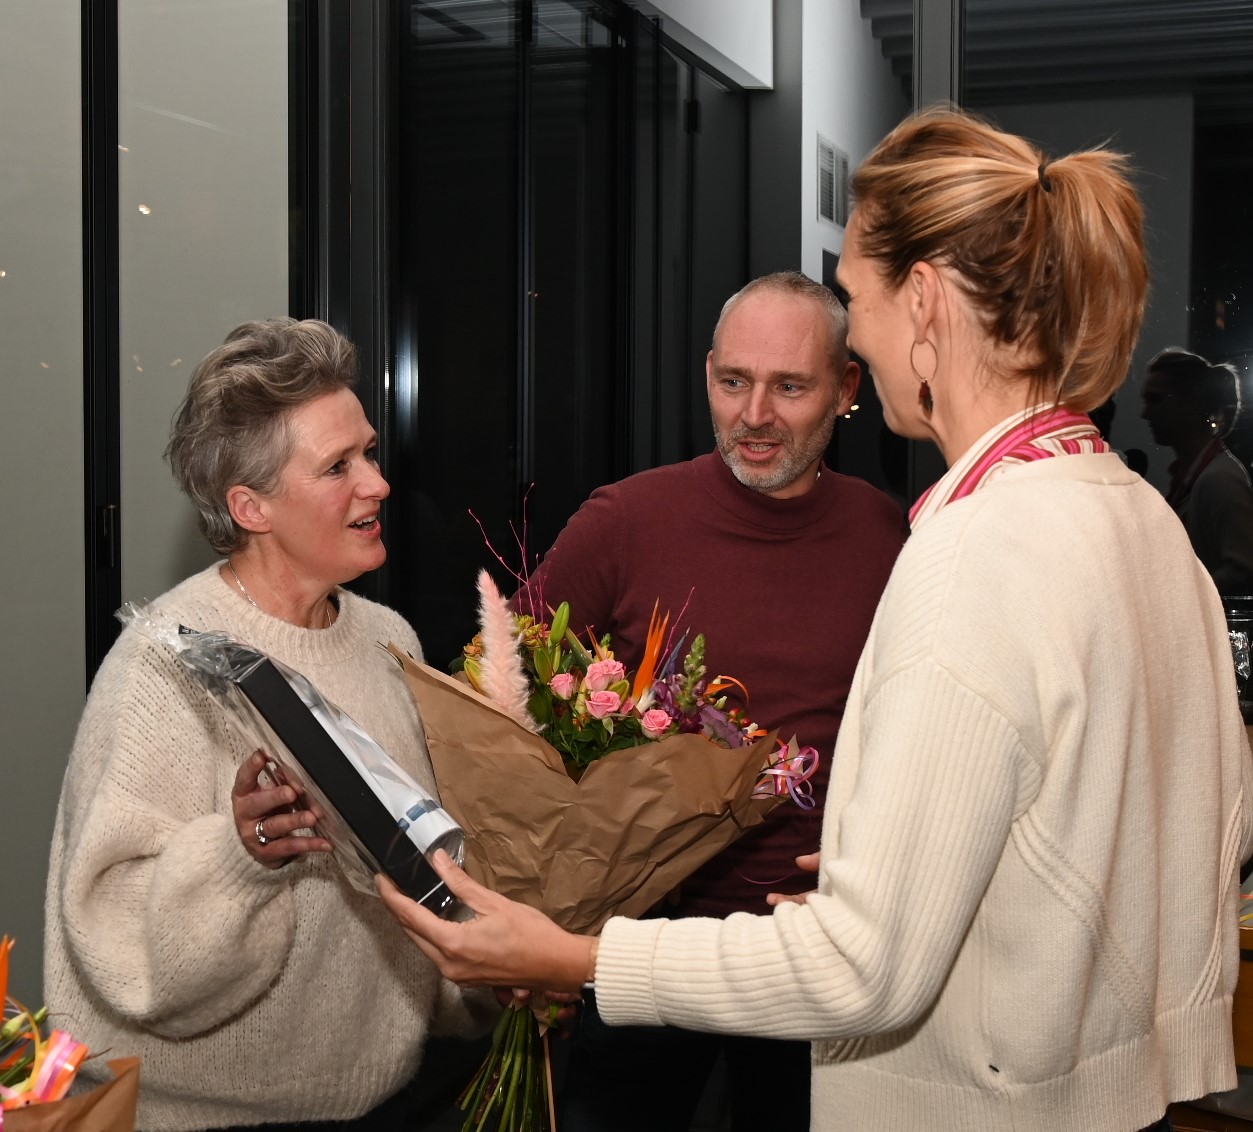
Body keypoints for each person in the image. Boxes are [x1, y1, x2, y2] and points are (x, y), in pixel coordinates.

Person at [379, 108, 1253, 1132]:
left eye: (855, 298)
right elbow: (1210, 819)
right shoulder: (1132, 512)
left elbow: (862, 969)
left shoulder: (970, 552)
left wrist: (578, 957)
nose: (860, 333)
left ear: (919, 302)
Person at [44, 318, 491, 1131]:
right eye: (337, 466)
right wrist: (238, 853)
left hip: (393, 1099)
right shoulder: (165, 664)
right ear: (251, 506)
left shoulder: (389, 640)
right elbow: (107, 933)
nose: (378, 483)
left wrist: (500, 978)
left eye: (369, 452)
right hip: (207, 1119)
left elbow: (416, 866)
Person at [505, 270, 906, 1130]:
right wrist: (539, 890)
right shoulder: (626, 519)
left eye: (789, 387)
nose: (754, 416)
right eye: (733, 382)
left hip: (813, 955)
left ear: (845, 391)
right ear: (707, 376)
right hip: (641, 942)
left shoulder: (891, 537)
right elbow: (498, 694)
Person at [1141, 346, 1253, 596]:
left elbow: (1243, 571)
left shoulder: (1218, 479)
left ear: (1190, 403)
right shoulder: (1205, 475)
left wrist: (1178, 598)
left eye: (1156, 399)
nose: (1145, 413)